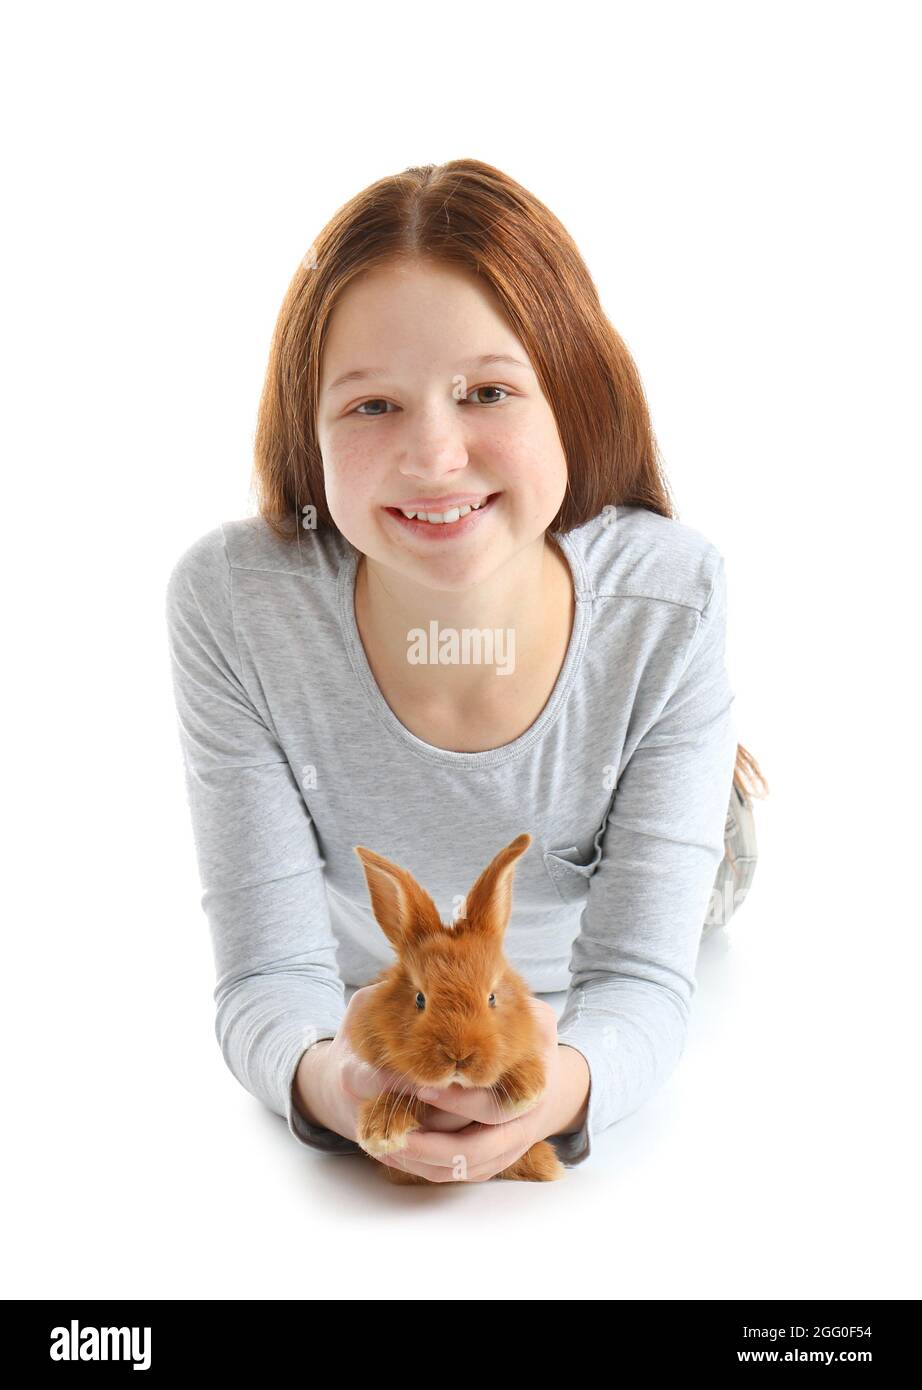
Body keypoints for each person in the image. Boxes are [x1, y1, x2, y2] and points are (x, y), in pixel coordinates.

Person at [165, 159, 768, 1182]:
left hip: (643, 845)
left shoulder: (675, 595)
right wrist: (334, 1088)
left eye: (486, 391)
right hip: (413, 977)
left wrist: (558, 1092)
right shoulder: (233, 602)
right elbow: (270, 973)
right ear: (308, 440)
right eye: (371, 406)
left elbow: (635, 977)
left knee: (718, 860)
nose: (434, 456)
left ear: (570, 402)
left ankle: (717, 789)